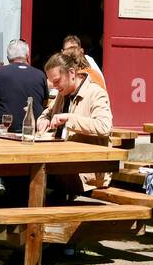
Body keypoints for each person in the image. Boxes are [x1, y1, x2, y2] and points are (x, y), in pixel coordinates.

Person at [38, 51, 113, 191]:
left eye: (57, 81)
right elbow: (47, 114)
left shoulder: (96, 93)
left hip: (87, 172)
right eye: (52, 82)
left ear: (71, 73)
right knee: (25, 179)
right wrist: (43, 121)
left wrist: (69, 118)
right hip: (63, 165)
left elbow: (104, 126)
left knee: (37, 180)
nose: (54, 86)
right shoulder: (63, 93)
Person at [0, 40, 48, 130]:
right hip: (34, 130)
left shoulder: (0, 72)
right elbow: (44, 102)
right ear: (27, 56)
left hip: (7, 130)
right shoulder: (40, 74)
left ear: (8, 58)